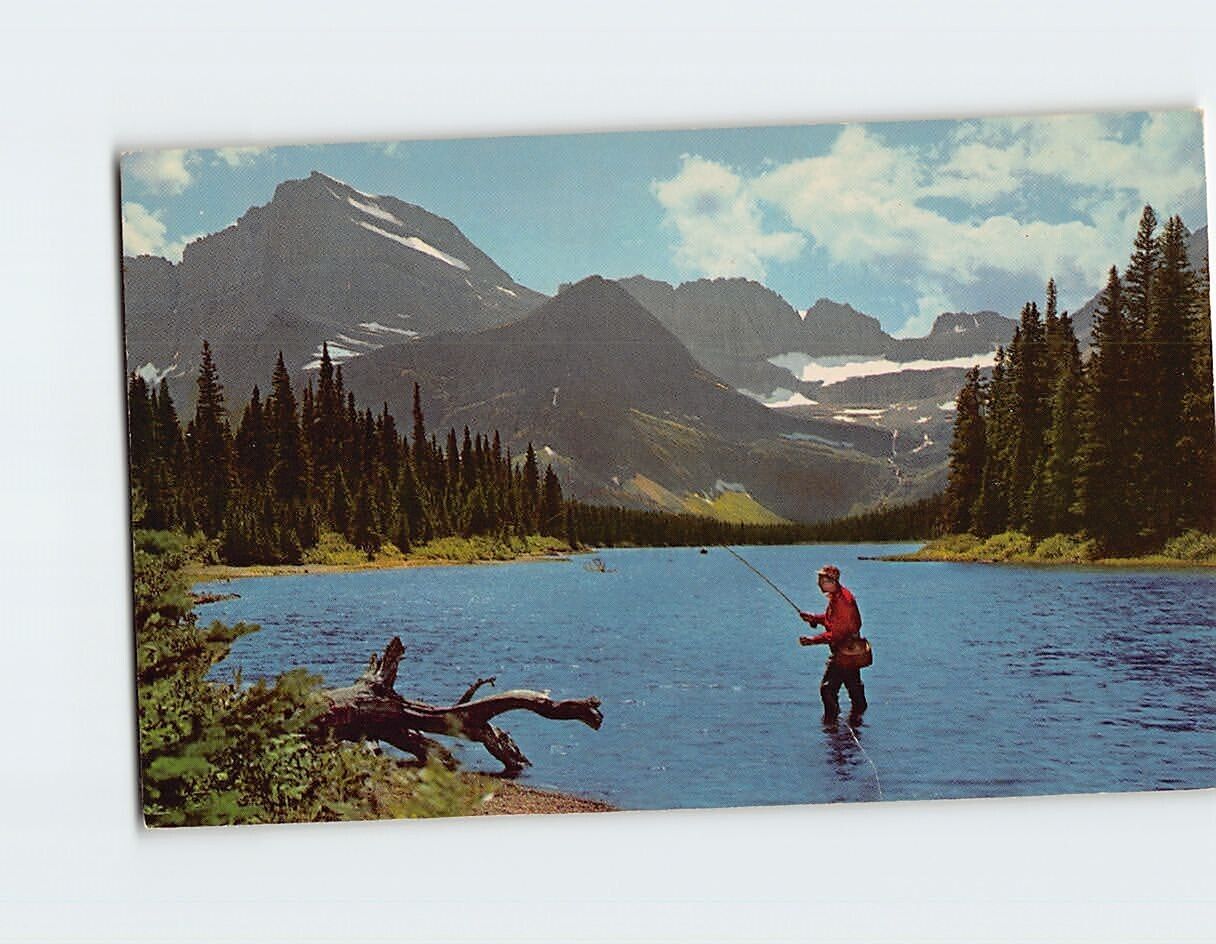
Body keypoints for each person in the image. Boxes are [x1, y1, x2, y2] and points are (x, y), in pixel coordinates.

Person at [799, 564, 868, 724]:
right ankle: (858, 723)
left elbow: (837, 633)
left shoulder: (843, 601)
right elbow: (833, 620)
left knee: (828, 690)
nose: (818, 584)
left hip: (844, 652)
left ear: (832, 581)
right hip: (849, 651)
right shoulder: (837, 597)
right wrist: (814, 618)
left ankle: (831, 725)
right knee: (854, 690)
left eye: (821, 580)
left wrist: (812, 640)